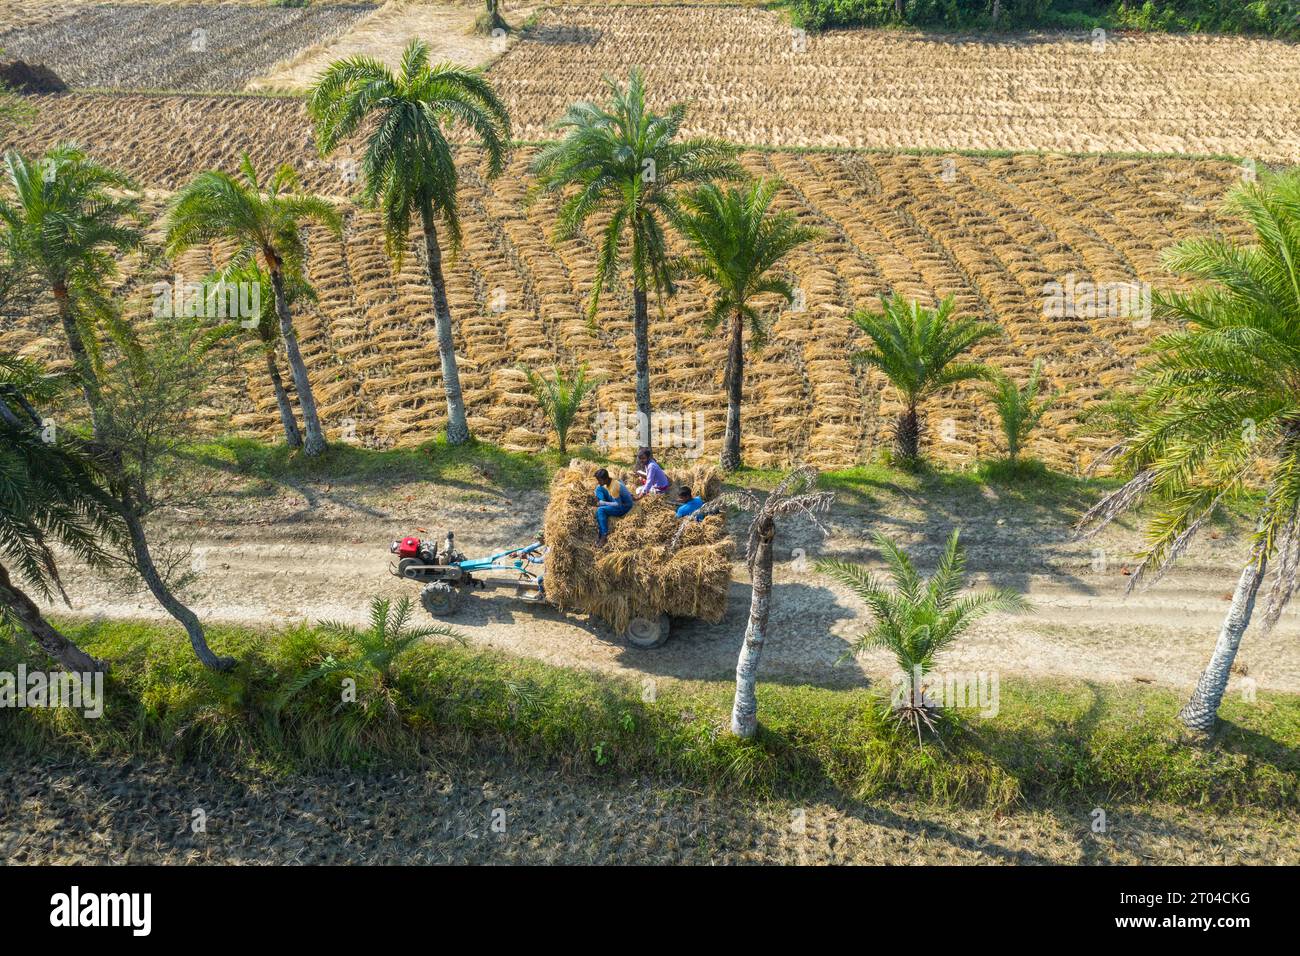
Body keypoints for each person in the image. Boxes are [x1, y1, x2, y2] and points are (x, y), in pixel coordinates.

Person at [593, 467, 633, 546]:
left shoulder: (614, 487)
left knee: (600, 511)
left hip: (624, 506)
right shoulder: (610, 476)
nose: (598, 482)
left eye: (599, 480)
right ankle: (602, 505)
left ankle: (604, 534)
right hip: (617, 498)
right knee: (599, 488)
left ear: (604, 479)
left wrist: (604, 503)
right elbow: (620, 481)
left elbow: (618, 504)